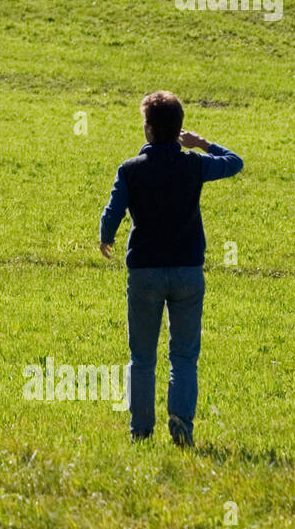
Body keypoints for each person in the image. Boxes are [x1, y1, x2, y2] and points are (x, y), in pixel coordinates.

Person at [98, 91, 243, 446]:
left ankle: (141, 430)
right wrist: (202, 143)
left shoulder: (130, 170)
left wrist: (106, 236)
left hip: (145, 271)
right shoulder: (193, 165)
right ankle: (181, 426)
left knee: (142, 356)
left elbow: (113, 211)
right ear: (179, 130)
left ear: (148, 129)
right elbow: (234, 162)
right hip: (187, 271)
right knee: (183, 356)